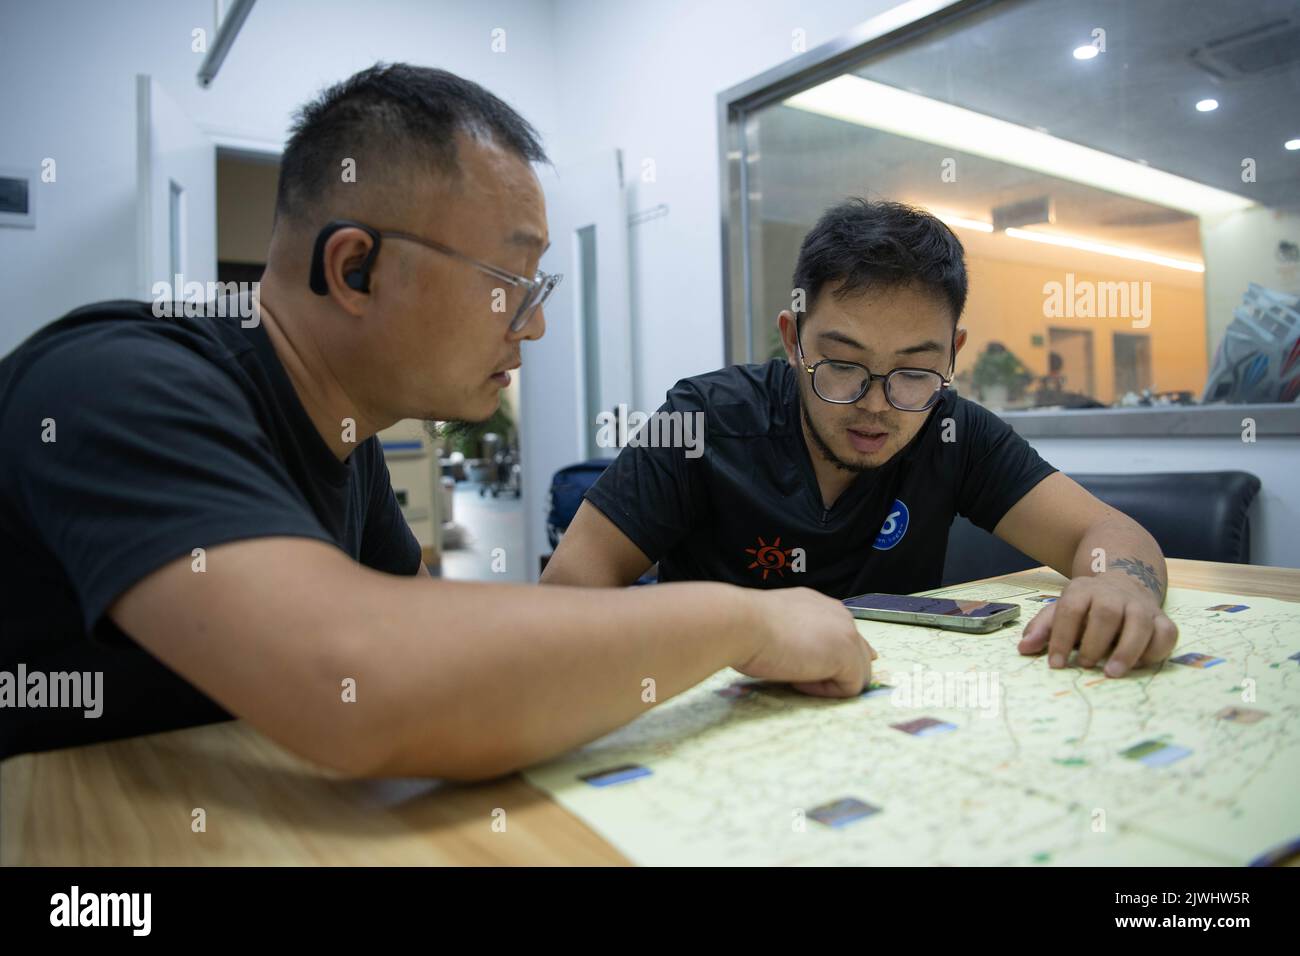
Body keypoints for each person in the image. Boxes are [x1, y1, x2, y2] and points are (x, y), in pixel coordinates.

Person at [0, 64, 875, 770]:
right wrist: (746, 621)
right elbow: (369, 680)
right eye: (511, 282)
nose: (532, 323)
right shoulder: (117, 385)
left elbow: (455, 657)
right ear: (354, 270)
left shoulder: (345, 442)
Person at [542, 199, 1178, 678]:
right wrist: (731, 632)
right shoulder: (704, 420)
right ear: (792, 340)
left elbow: (1112, 535)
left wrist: (1117, 587)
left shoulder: (952, 430)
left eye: (914, 370)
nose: (876, 406)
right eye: (843, 365)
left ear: (951, 356)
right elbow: (567, 596)